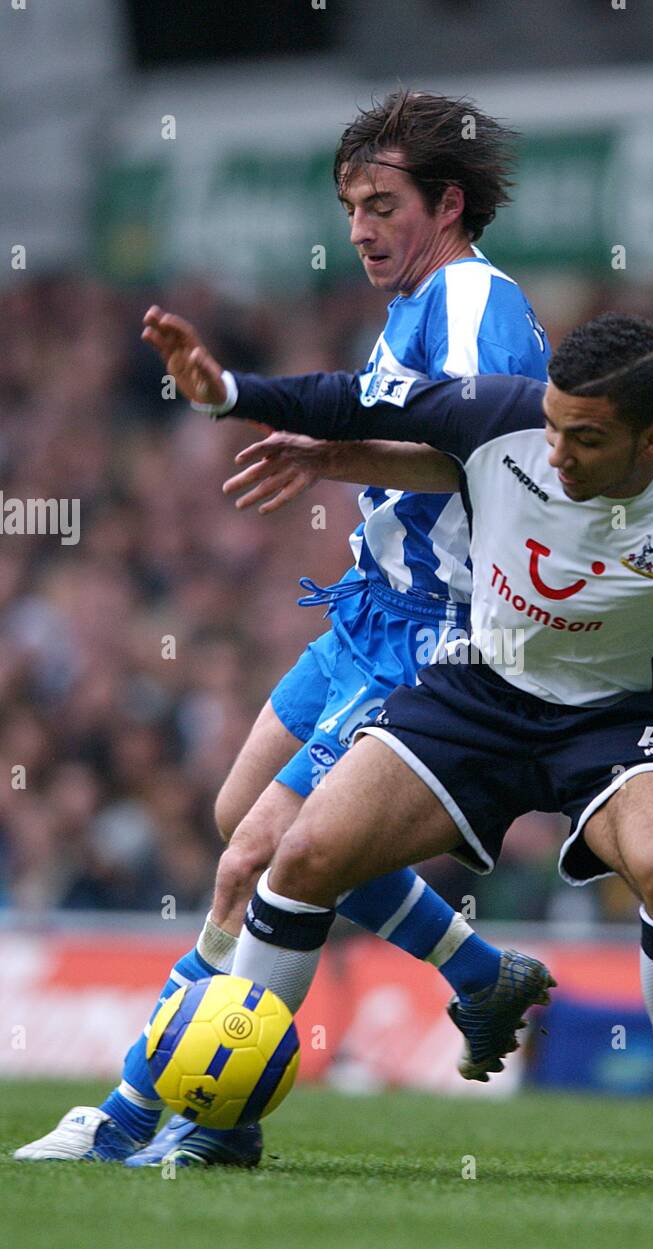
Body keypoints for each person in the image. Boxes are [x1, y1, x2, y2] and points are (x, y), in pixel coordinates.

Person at [211, 311, 653, 1189]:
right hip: (477, 690)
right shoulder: (500, 414)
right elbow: (352, 397)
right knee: (305, 852)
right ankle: (229, 1116)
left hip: (616, 723)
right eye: (550, 426)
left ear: (648, 437)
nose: (554, 453)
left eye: (583, 439)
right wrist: (230, 391)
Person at [16, 91, 554, 1168]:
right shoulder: (409, 306)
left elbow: (475, 451)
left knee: (254, 859)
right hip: (362, 613)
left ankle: (151, 1112)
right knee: (235, 816)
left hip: (431, 633)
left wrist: (325, 448)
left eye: (380, 202)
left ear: (446, 204)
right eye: (350, 204)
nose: (359, 226)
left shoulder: (468, 301)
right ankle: (478, 973)